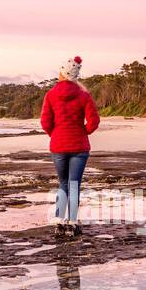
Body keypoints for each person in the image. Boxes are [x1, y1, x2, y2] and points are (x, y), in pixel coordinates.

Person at [39, 55, 100, 239]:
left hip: (58, 146)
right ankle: (72, 222)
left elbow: (45, 122)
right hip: (79, 146)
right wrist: (84, 132)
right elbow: (94, 121)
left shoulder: (50, 95)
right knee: (74, 184)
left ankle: (59, 221)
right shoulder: (84, 95)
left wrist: (55, 134)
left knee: (63, 183)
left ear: (63, 73)